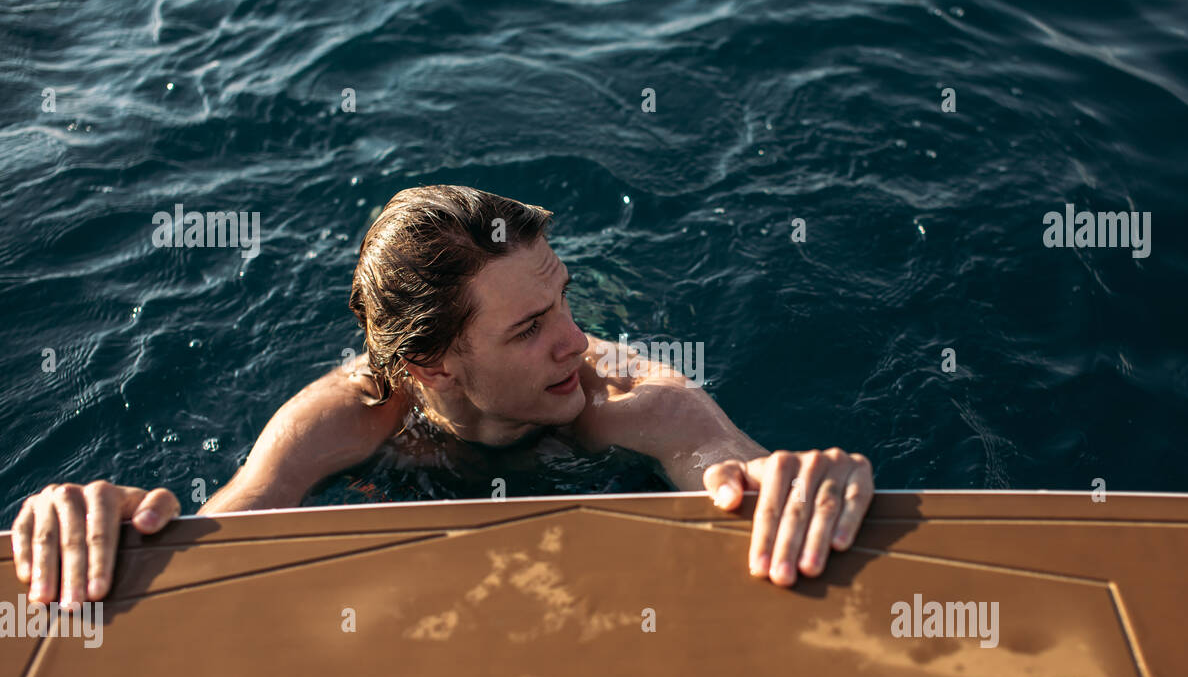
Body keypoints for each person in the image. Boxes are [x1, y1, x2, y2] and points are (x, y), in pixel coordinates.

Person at [9, 185, 874, 607]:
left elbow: (738, 471)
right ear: (430, 366)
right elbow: (227, 538)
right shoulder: (347, 415)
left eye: (563, 300)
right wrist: (123, 527)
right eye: (530, 326)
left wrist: (797, 489)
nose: (575, 340)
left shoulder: (630, 397)